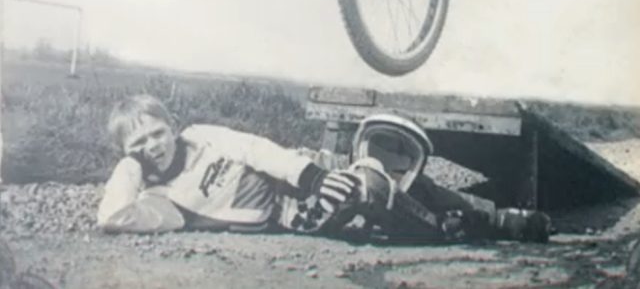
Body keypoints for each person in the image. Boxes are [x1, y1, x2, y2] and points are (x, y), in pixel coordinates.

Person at [96, 94, 551, 244]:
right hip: (293, 212)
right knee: (367, 186)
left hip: (304, 170)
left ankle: (496, 218)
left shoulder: (201, 133)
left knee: (393, 173)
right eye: (138, 144)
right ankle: (440, 230)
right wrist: (128, 168)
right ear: (128, 154)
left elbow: (255, 149)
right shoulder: (162, 201)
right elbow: (113, 217)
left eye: (156, 132)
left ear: (171, 127)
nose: (152, 145)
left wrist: (313, 175)